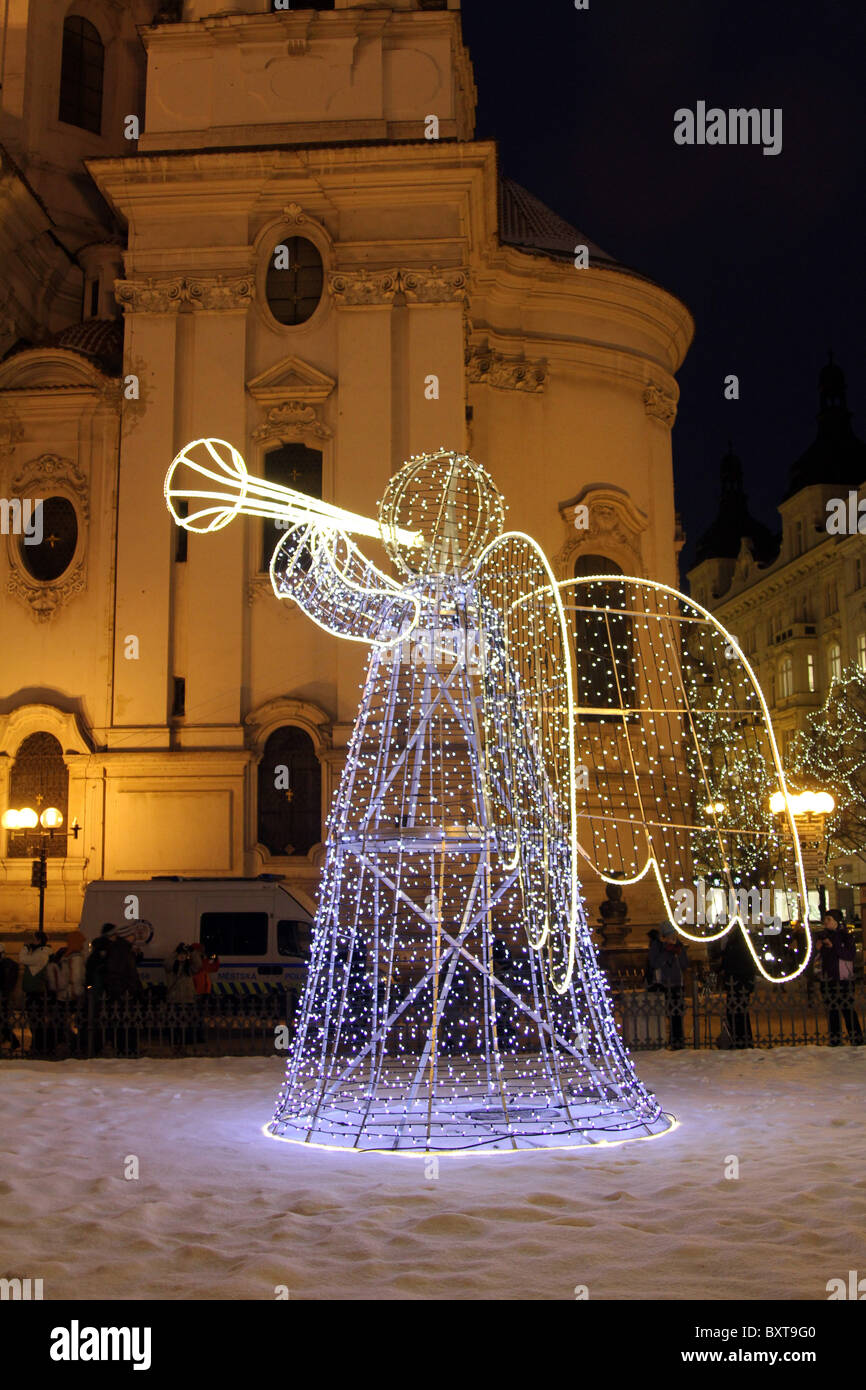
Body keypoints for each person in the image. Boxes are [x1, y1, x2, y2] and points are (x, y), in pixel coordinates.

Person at [818, 910, 863, 1046]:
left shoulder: (845, 936)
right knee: (832, 1010)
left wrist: (834, 946)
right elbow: (821, 958)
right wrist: (819, 947)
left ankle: (856, 1038)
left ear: (836, 921)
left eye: (829, 919)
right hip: (828, 978)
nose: (826, 922)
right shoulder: (824, 936)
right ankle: (835, 1039)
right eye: (825, 919)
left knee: (847, 1008)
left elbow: (849, 955)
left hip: (843, 979)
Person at [648, 923, 689, 1049]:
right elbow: (655, 963)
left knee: (677, 1014)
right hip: (664, 984)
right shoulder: (658, 946)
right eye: (671, 934)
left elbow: (684, 964)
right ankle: (667, 1040)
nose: (674, 936)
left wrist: (678, 951)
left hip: (677, 984)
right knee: (667, 1013)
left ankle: (678, 1040)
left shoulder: (679, 946)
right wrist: (667, 951)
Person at [720, 929, 756, 1048]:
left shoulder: (733, 946)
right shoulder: (745, 946)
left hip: (736, 985)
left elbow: (726, 964)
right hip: (742, 984)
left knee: (735, 1013)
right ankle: (744, 1039)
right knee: (742, 1013)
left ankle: (738, 1038)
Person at [19, 931, 51, 1055]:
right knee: (34, 1020)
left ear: (38, 940)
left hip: (36, 992)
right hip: (32, 991)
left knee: (36, 1020)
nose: (31, 942)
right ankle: (37, 1045)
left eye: (33, 939)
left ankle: (39, 1046)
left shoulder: (41, 954)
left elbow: (23, 959)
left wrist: (25, 948)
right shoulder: (39, 952)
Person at [0, 944, 19, 1049]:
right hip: (6, 995)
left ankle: (12, 1040)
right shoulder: (11, 965)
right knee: (4, 1020)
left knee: (3, 1021)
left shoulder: (3, 966)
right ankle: (11, 1039)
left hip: (3, 996)